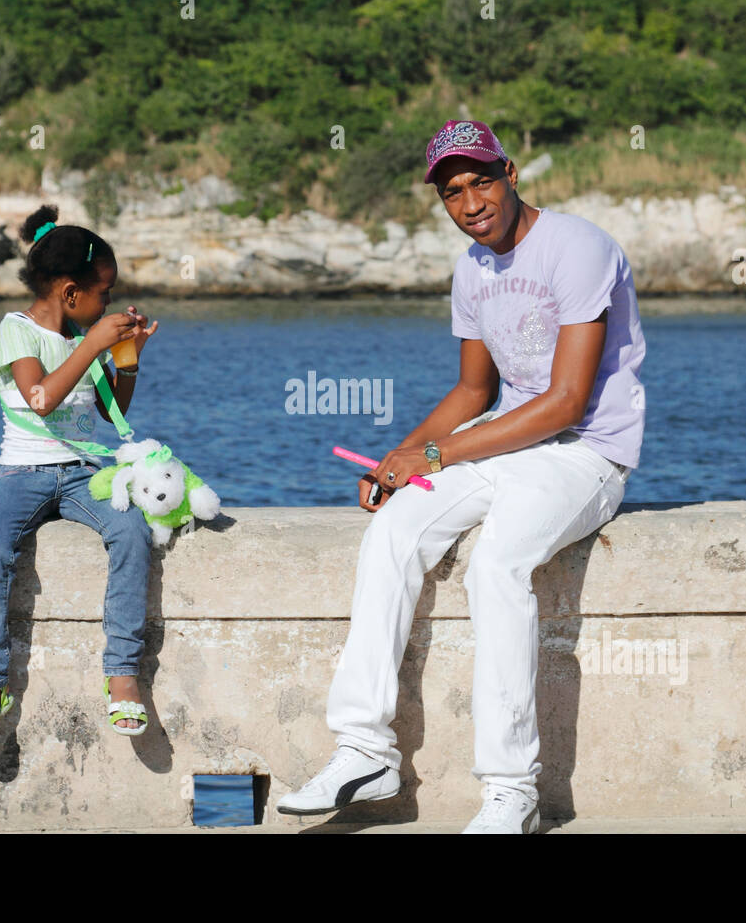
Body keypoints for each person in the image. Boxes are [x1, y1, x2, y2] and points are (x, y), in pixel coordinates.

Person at [277, 120, 647, 832]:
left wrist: (439, 456)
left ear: (510, 172)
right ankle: (364, 750)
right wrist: (403, 456)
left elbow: (566, 402)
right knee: (394, 529)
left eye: (482, 180)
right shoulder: (472, 269)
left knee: (497, 566)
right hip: (502, 441)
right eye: (454, 192)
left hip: (585, 451)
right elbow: (473, 393)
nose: (471, 201)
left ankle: (513, 790)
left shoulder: (578, 248)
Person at [0, 204, 160, 748]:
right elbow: (40, 400)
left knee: (132, 531)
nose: (109, 302)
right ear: (71, 293)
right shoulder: (16, 331)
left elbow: (112, 410)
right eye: (104, 293)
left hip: (83, 471)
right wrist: (93, 343)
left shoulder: (82, 336)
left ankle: (122, 675)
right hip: (22, 471)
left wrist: (127, 358)